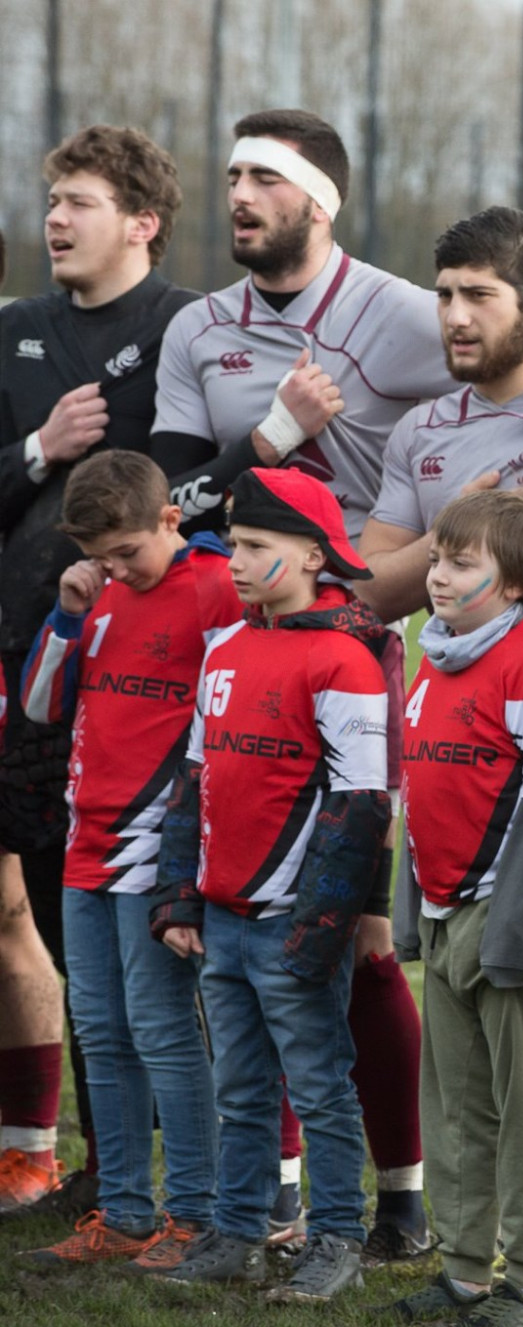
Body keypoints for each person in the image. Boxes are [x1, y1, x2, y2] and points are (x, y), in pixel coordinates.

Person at [149, 107, 447, 1253]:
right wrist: (271, 433)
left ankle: (403, 1194)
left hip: (353, 641)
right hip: (233, 645)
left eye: (263, 178)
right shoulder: (199, 330)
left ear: (316, 201)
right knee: (240, 917)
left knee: (356, 938)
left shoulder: (402, 315)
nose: (238, 195)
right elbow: (173, 510)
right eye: (230, 175)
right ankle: (267, 1193)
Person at [0, 124, 198, 1217]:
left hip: (150, 689)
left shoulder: (189, 328)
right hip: (24, 676)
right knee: (47, 914)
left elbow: (207, 490)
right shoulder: (15, 333)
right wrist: (39, 450)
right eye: (50, 200)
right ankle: (77, 1162)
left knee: (156, 935)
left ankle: (184, 1178)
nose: (56, 219)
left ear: (142, 222)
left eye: (78, 200)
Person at [145, 468, 391, 1302]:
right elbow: (193, 779)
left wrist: (316, 929)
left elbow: (362, 809)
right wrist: (180, 894)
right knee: (241, 1085)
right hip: (220, 917)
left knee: (319, 1087)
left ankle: (336, 1238)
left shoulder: (346, 661)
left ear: (314, 555)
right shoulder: (225, 647)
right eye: (235, 544)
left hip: (292, 924)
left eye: (256, 547)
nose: (237, 561)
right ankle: (238, 1228)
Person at [14, 452, 234, 1269]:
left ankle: (194, 1211)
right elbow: (40, 705)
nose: (113, 569)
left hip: (156, 849)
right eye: (100, 556)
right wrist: (68, 614)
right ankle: (126, 1210)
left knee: (162, 1028)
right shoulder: (96, 597)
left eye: (127, 553)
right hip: (84, 844)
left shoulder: (215, 587)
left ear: (171, 519)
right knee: (101, 1030)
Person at [385, 490, 523, 1327]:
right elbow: (419, 791)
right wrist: (406, 900)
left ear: (515, 581)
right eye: (436, 557)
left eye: (462, 563)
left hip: (513, 912)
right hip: (443, 907)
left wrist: (513, 929)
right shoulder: (436, 655)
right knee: (455, 1098)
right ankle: (464, 1266)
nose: (437, 575)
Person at [356, 206, 523, 620]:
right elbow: (370, 594)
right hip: (450, 682)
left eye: (478, 295)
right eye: (445, 296)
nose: (455, 317)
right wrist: (458, 525)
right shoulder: (420, 430)